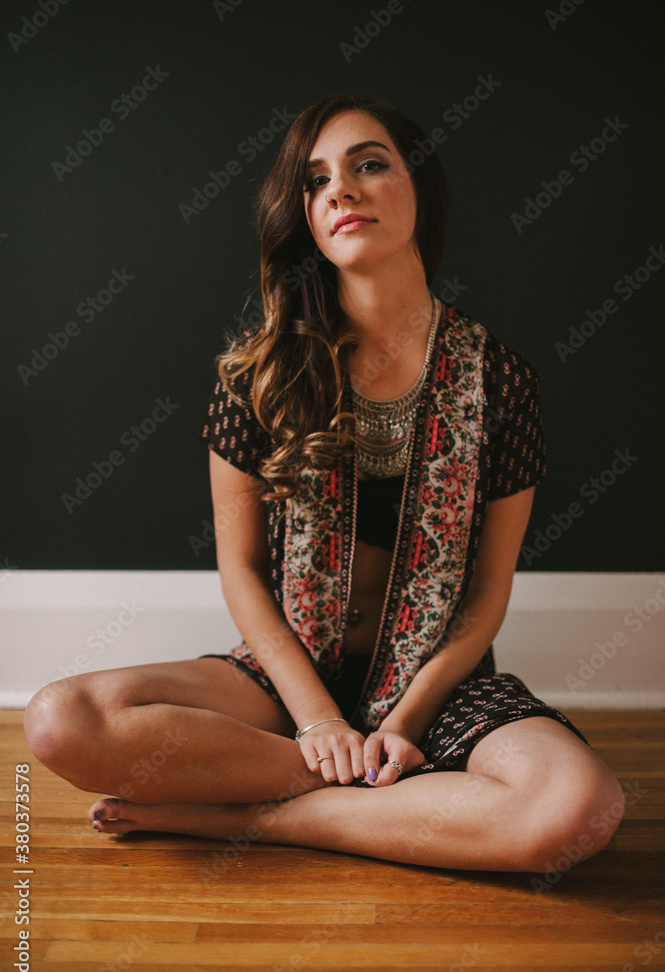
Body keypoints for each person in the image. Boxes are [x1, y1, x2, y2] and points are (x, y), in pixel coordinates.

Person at [24, 94, 624, 872]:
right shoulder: (258, 375)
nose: (340, 190)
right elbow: (240, 571)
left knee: (578, 810)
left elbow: (484, 599)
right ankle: (377, 791)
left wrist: (402, 724)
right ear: (302, 216)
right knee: (61, 720)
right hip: (282, 681)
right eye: (314, 182)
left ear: (420, 187)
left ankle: (254, 817)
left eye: (368, 164)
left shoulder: (499, 380)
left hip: (437, 688)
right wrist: (315, 721)